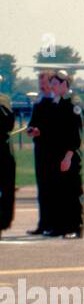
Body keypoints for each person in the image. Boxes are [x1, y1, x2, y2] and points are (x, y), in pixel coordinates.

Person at [45, 71, 84, 239]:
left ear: (64, 84)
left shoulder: (74, 103)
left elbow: (76, 133)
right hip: (58, 154)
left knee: (73, 192)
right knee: (59, 192)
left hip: (70, 155)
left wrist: (68, 156)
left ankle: (77, 227)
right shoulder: (60, 103)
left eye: (54, 83)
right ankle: (61, 226)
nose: (51, 87)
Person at [24, 70, 56, 236]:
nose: (42, 86)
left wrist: (41, 131)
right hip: (40, 150)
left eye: (44, 83)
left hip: (53, 150)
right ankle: (43, 223)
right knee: (42, 188)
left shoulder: (56, 103)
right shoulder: (39, 102)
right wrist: (31, 129)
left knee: (53, 188)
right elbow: (33, 122)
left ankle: (54, 224)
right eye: (40, 84)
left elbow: (57, 127)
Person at [0, 94, 15, 238]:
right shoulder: (5, 100)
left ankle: (3, 221)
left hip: (2, 151)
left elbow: (8, 123)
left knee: (6, 189)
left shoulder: (3, 101)